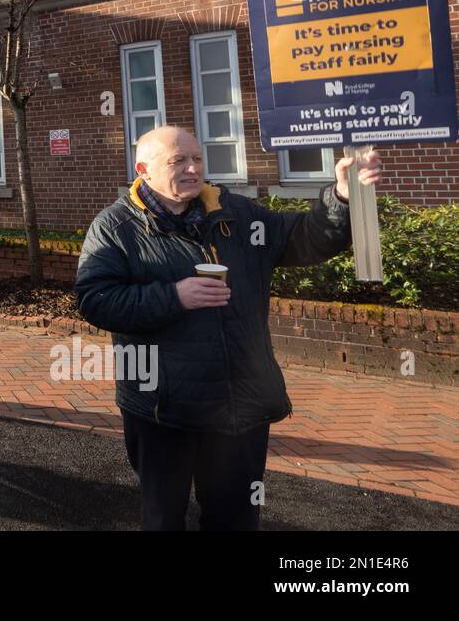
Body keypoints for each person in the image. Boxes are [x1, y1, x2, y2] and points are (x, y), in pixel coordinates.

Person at [74, 126, 383, 531]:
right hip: (162, 409)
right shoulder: (116, 226)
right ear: (143, 169)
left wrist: (341, 196)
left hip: (241, 406)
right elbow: (95, 300)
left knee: (236, 518)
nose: (192, 168)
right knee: (163, 518)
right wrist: (175, 296)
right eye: (178, 161)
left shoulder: (237, 214)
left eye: (197, 159)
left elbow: (304, 239)